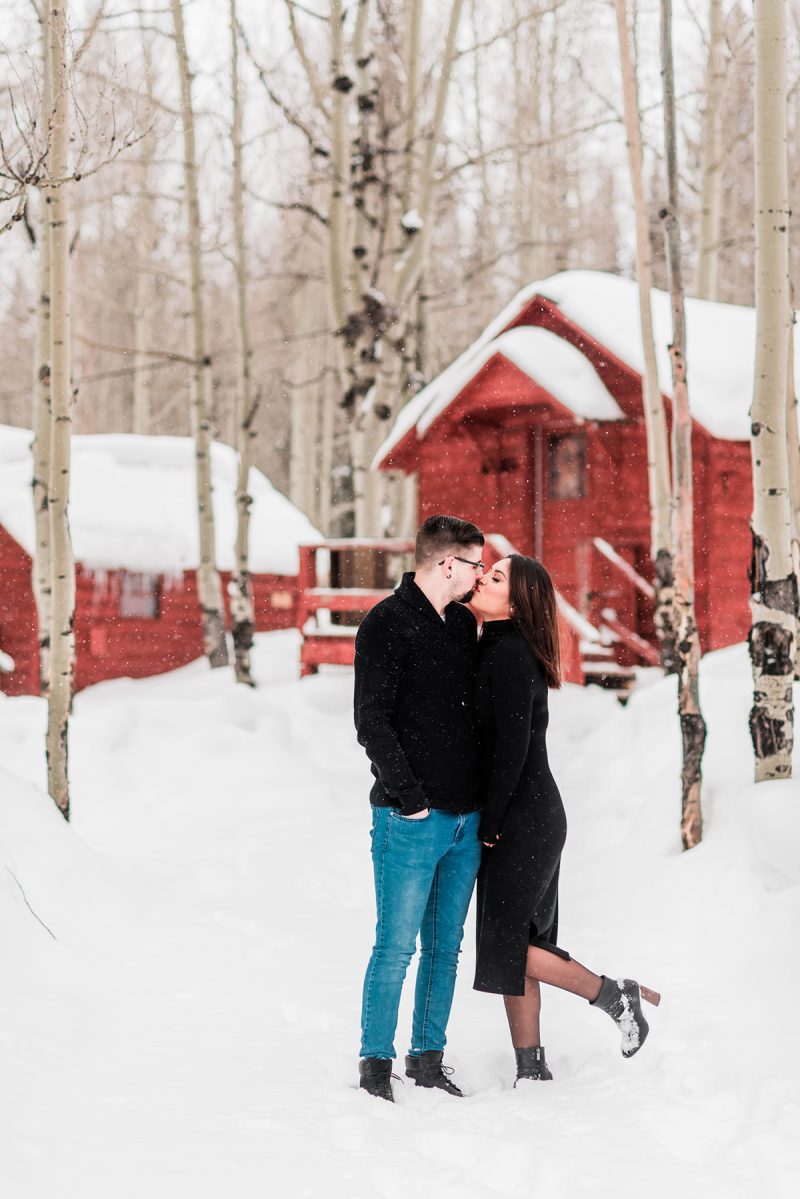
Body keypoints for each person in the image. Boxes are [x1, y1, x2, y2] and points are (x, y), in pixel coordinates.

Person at [469, 554, 660, 1085]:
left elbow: (510, 751)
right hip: (525, 812)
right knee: (513, 942)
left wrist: (491, 822)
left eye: (497, 577)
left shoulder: (509, 654)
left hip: (522, 816)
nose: (483, 576)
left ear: (517, 600)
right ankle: (531, 1067)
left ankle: (611, 994)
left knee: (507, 943)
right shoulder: (494, 643)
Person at [353, 515, 486, 1102]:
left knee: (445, 946)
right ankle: (376, 1068)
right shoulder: (384, 624)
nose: (481, 575)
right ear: (447, 563)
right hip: (410, 818)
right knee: (396, 946)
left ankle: (427, 1059)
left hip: (465, 817)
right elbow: (371, 722)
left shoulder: (462, 624)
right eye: (476, 564)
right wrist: (410, 800)